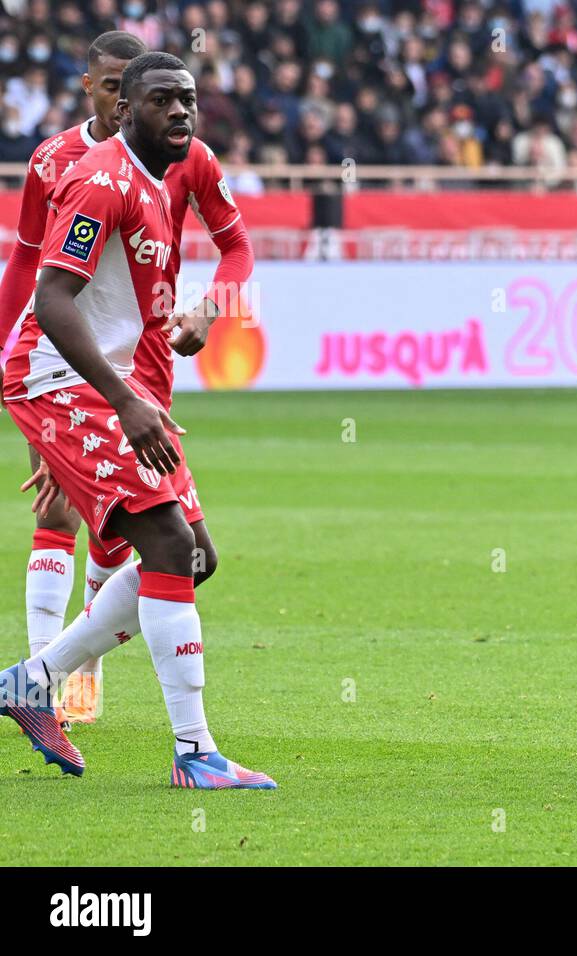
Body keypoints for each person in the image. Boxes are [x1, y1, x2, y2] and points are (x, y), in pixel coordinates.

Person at [0, 51, 274, 789]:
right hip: (59, 379)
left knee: (191, 556)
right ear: (125, 110)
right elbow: (50, 297)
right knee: (163, 536)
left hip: (125, 384)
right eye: (161, 101)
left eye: (188, 99)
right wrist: (123, 401)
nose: (181, 112)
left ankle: (35, 680)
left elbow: (236, 249)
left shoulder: (165, 178)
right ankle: (193, 753)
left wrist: (203, 316)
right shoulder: (99, 182)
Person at [0, 31, 148, 724]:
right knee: (56, 507)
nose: (123, 98)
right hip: (58, 357)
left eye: (133, 84)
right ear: (88, 85)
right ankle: (43, 679)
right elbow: (28, 263)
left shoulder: (163, 161)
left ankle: (74, 663)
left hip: (125, 362)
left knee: (119, 531)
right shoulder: (51, 159)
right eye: (112, 84)